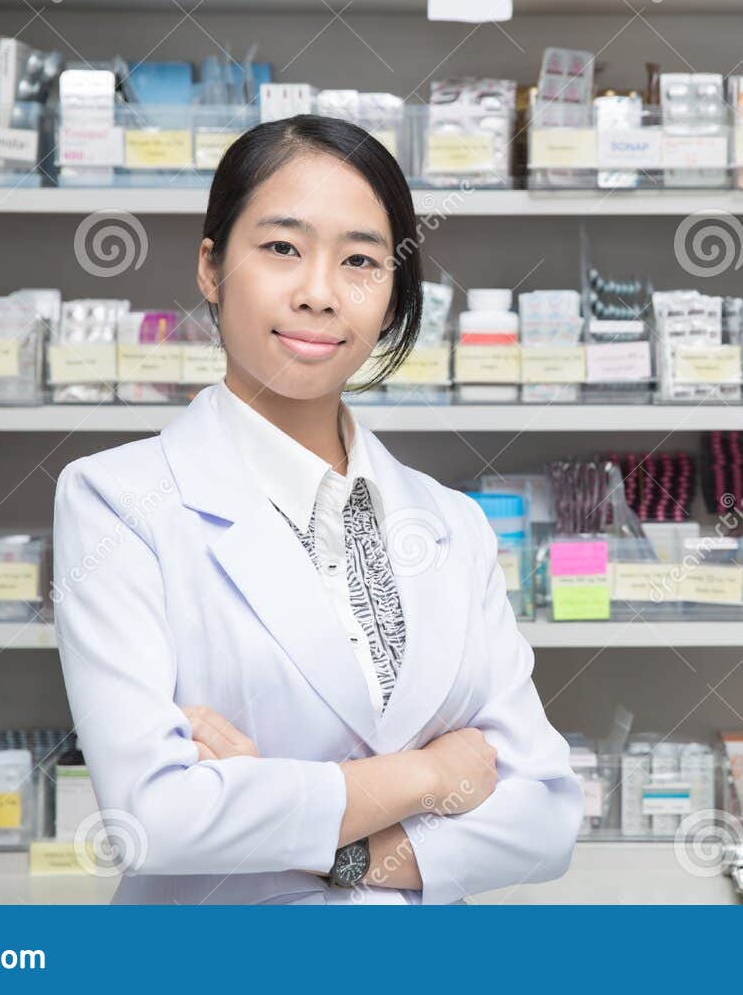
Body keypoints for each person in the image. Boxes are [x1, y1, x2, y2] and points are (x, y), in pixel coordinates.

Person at [52, 115, 582, 904]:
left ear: (394, 293)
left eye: (361, 260)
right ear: (211, 267)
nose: (319, 292)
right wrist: (429, 775)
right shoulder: (118, 501)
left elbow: (545, 816)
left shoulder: (452, 524)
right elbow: (156, 818)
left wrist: (305, 829)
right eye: (281, 248)